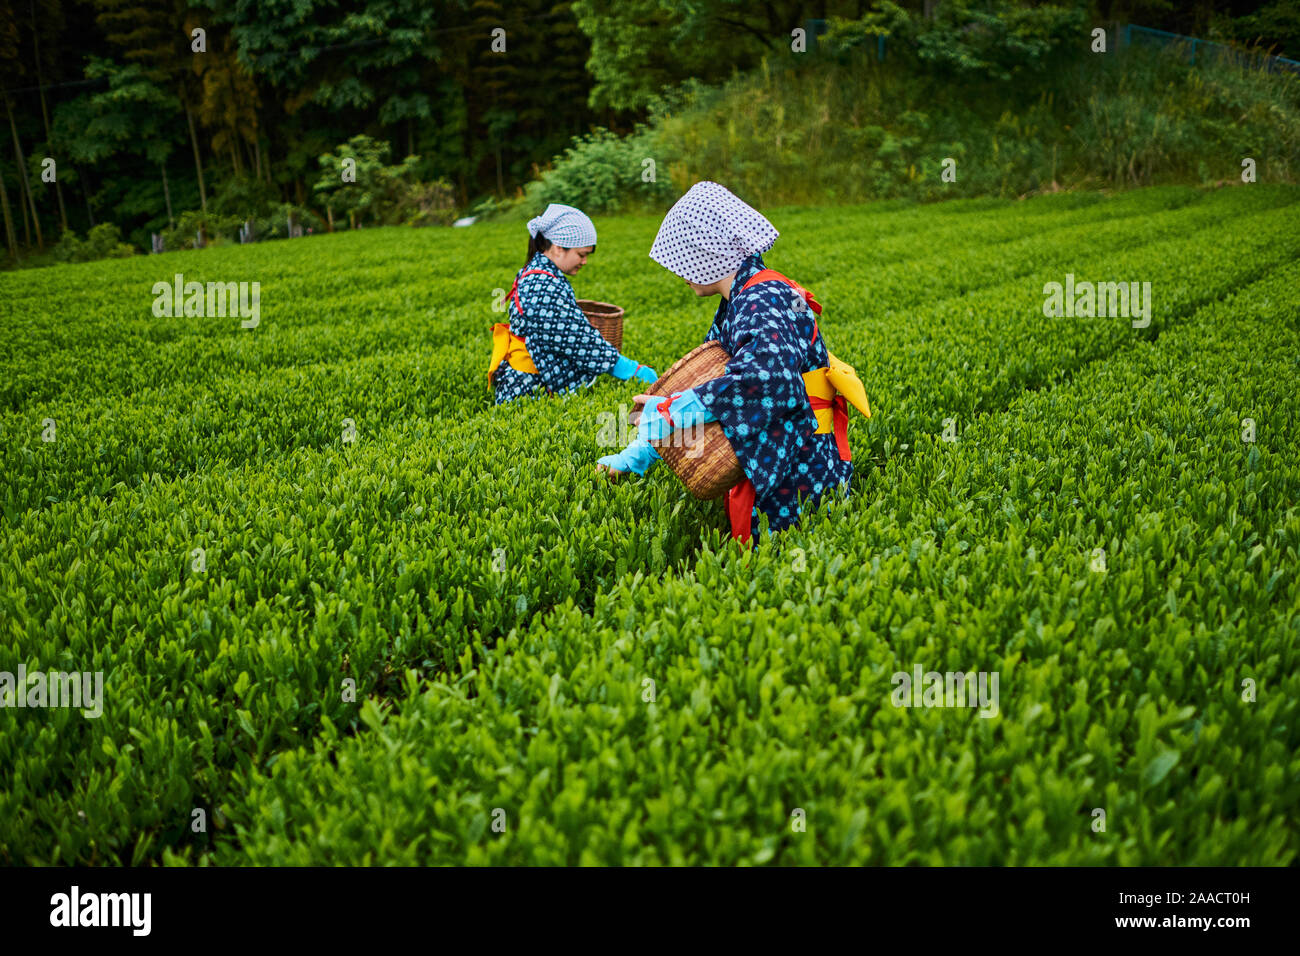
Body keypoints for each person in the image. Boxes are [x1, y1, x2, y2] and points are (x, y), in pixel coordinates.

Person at [597, 182, 870, 541]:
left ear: (708, 253)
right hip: (786, 445)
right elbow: (710, 383)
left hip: (800, 461)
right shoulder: (743, 297)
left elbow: (766, 379)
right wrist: (642, 450)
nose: (678, 273)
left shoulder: (761, 299)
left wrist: (673, 412)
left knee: (791, 553)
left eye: (682, 259)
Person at [489, 203, 657, 404]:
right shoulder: (542, 285)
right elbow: (576, 337)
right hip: (530, 388)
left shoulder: (539, 274)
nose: (585, 261)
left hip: (532, 379)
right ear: (559, 248)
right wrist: (625, 367)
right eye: (581, 254)